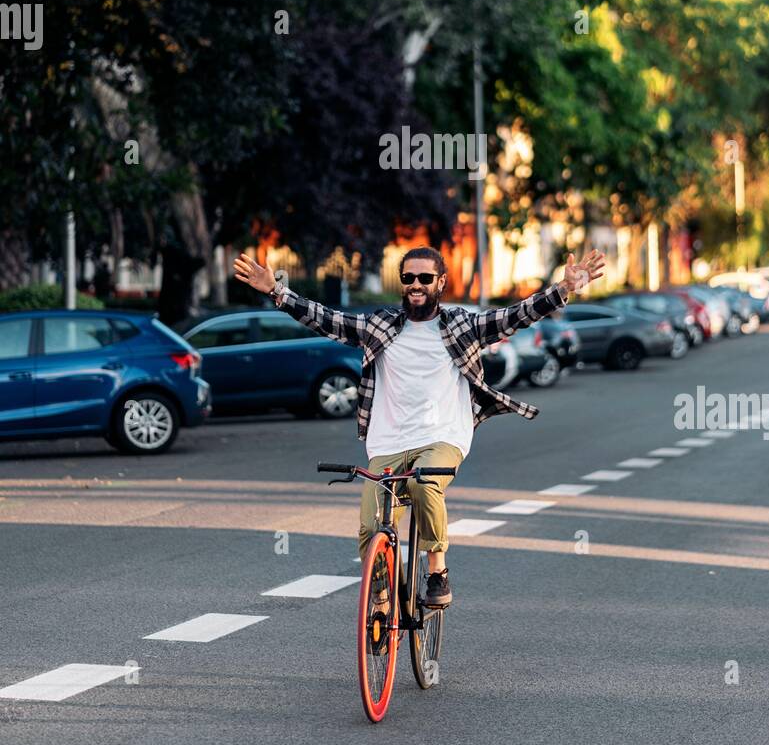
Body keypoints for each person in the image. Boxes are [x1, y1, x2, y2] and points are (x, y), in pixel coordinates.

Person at [233, 245, 606, 606]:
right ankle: (383, 601)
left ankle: (437, 570)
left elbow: (517, 315)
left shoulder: (462, 325)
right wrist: (277, 292)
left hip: (443, 436)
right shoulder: (379, 325)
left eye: (425, 278)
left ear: (440, 282)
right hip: (387, 441)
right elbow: (326, 318)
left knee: (424, 483)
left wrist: (564, 288)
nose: (416, 284)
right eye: (408, 277)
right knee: (371, 527)